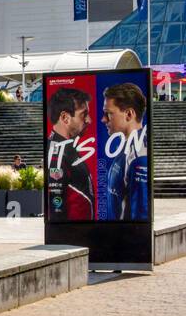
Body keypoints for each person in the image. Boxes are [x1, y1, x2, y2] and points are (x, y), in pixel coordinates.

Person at [101, 82, 149, 221]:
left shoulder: (139, 157)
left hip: (123, 238)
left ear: (129, 114)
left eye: (109, 114)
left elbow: (141, 218)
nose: (103, 119)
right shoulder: (127, 147)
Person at [46, 85, 94, 222]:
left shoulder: (66, 149)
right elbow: (56, 208)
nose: (88, 120)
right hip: (72, 236)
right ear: (65, 118)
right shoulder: (57, 153)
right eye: (84, 114)